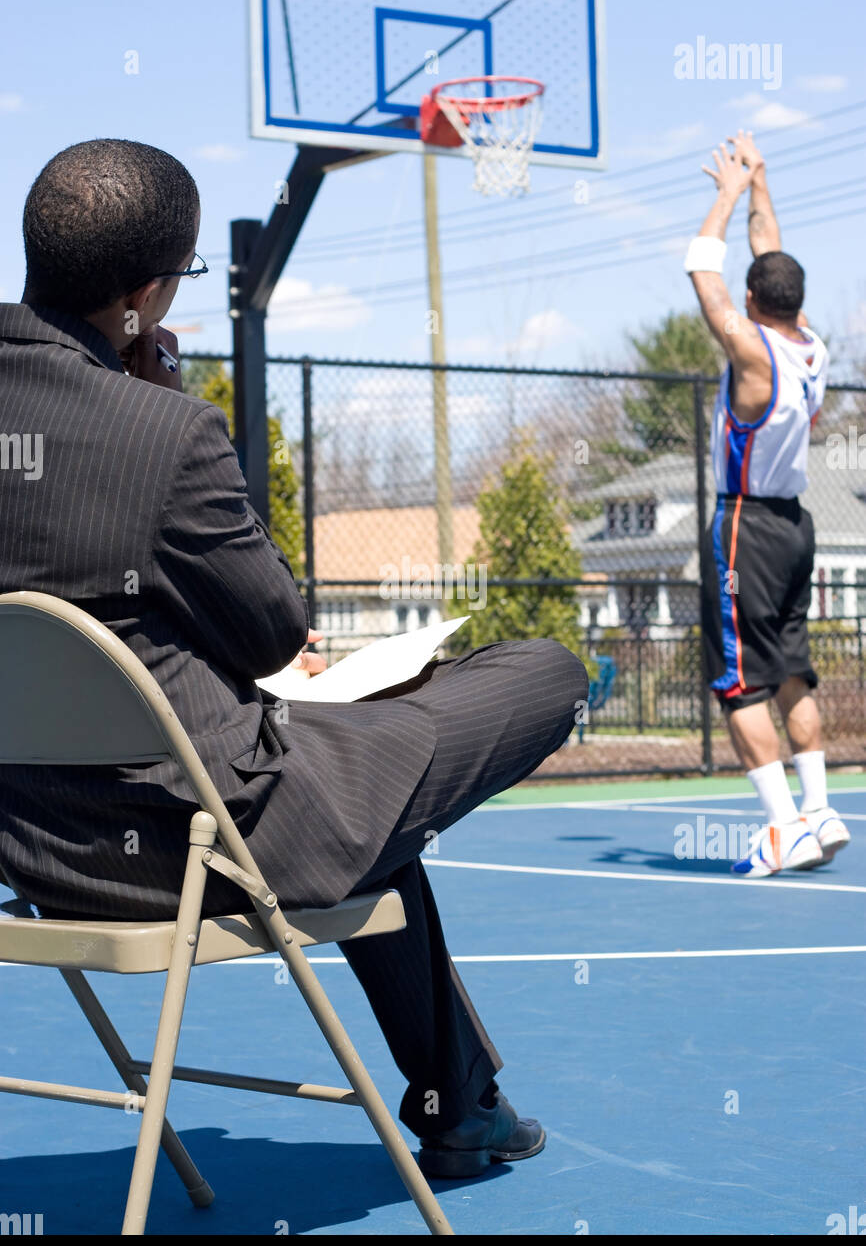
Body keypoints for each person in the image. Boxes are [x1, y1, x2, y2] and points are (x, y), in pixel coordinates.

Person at [0, 139, 587, 1177]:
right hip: (211, 844)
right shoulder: (160, 432)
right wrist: (161, 394)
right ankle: (459, 1110)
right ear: (147, 291)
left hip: (32, 849)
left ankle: (463, 1102)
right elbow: (277, 633)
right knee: (541, 669)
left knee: (373, 795)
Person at [686, 129, 849, 877]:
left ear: (755, 301)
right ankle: (818, 810)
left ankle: (784, 827)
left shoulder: (750, 351)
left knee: (737, 679)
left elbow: (702, 271)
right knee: (791, 671)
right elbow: (769, 254)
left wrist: (727, 189)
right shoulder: (810, 344)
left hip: (747, 520)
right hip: (797, 523)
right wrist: (761, 179)